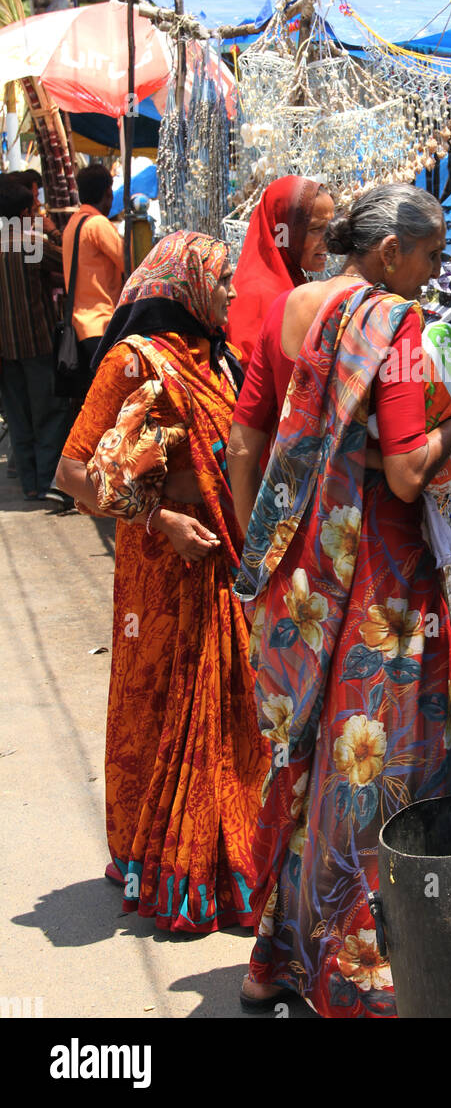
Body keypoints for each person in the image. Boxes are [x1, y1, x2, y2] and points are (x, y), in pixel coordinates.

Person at [232, 184, 451, 1017]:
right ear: (388, 254)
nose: (434, 272)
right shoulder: (393, 326)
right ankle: (354, 966)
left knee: (312, 758)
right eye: (430, 255)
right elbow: (408, 470)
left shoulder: (291, 307)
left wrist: (266, 554)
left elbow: (246, 437)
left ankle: (274, 959)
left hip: (309, 577)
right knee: (372, 759)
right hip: (380, 582)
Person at [54, 232, 270, 933]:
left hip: (224, 560)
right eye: (222, 282)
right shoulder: (132, 360)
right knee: (163, 703)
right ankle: (168, 862)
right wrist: (162, 521)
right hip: (163, 568)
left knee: (232, 710)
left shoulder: (220, 359)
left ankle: (227, 857)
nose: (234, 294)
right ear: (189, 289)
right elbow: (74, 473)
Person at [0, 175, 69, 501]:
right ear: (27, 211)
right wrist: (52, 229)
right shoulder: (29, 244)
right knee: (49, 414)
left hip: (5, 349)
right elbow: (68, 260)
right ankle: (46, 482)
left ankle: (29, 482)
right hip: (38, 345)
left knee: (18, 416)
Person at [226, 174, 333, 367]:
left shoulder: (291, 279)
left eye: (330, 227)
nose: (328, 240)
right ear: (281, 230)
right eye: (316, 229)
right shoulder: (258, 295)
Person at [61, 163, 125, 389]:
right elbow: (130, 262)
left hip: (81, 325)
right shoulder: (98, 224)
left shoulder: (74, 223)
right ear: (108, 192)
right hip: (101, 323)